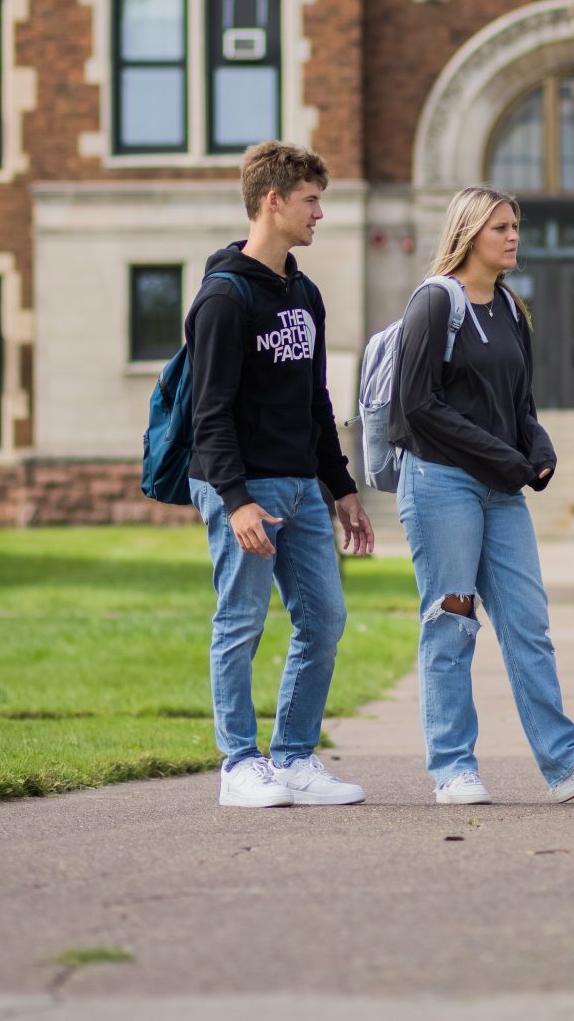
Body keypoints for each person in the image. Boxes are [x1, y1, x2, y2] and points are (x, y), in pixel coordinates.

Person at [393, 185, 574, 806]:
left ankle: (565, 762)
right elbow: (417, 407)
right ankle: (452, 768)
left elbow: (518, 401)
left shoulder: (508, 307)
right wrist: (501, 455)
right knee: (451, 624)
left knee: (528, 623)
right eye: (501, 226)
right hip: (441, 482)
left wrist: (538, 442)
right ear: (469, 232)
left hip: (500, 489)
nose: (513, 236)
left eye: (515, 226)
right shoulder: (433, 303)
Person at [187, 140, 377, 808]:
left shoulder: (304, 292)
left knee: (324, 618)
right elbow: (209, 412)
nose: (320, 212)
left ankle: (294, 757)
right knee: (240, 622)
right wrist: (235, 500)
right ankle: (239, 764)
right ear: (273, 201)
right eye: (311, 200)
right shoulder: (222, 298)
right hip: (243, 487)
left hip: (300, 486)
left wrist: (342, 487)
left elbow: (316, 399)